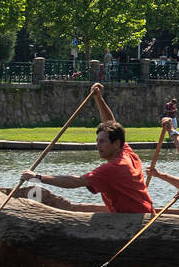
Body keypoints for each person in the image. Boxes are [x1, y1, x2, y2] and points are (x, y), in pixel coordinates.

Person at [20, 83, 154, 213]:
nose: (98, 145)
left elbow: (76, 181)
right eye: (97, 141)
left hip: (133, 223)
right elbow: (111, 124)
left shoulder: (115, 167)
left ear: (116, 143)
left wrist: (37, 177)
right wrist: (98, 98)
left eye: (102, 142)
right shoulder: (126, 153)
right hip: (142, 214)